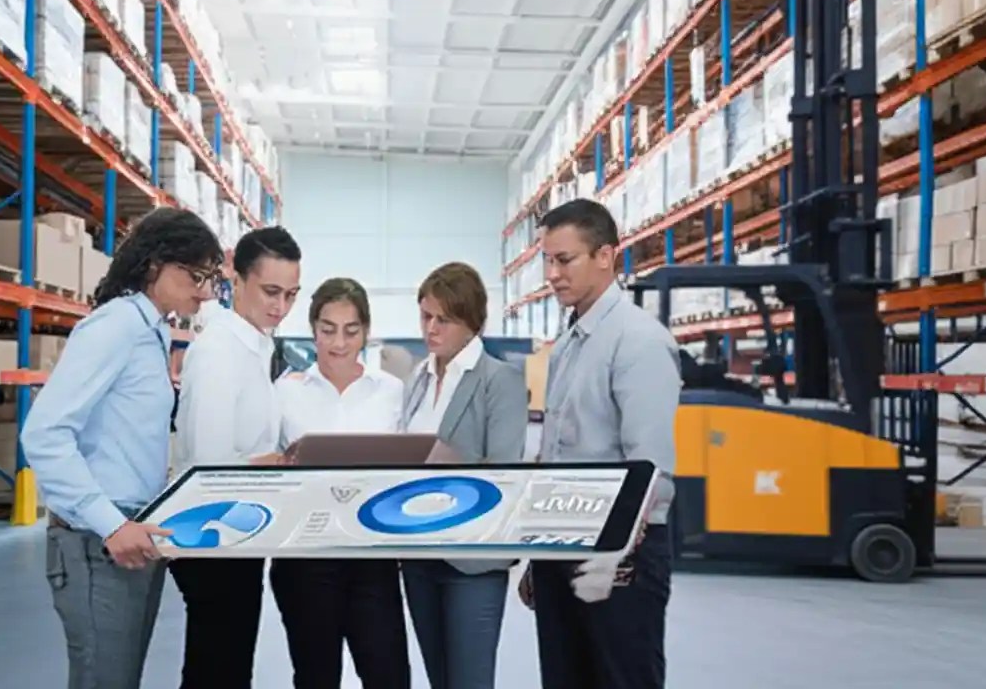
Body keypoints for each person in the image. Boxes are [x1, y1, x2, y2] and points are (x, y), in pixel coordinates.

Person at [20, 208, 224, 689]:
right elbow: (44, 434)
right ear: (154, 264)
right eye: (195, 275)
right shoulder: (114, 327)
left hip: (130, 536)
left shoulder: (151, 330)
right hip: (99, 542)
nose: (204, 292)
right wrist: (111, 524)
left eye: (210, 278)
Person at [522, 198, 681, 689]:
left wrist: (614, 557)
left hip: (618, 550)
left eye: (564, 260)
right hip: (561, 542)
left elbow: (649, 469)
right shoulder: (570, 343)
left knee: (621, 678)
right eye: (547, 260)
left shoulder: (638, 342)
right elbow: (555, 454)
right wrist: (539, 555)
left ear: (606, 256)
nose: (552, 274)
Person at [171, 225, 302, 689]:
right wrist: (274, 465)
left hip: (239, 534)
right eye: (271, 291)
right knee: (217, 670)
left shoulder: (254, 347)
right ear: (237, 279)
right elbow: (209, 467)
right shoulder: (220, 352)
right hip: (213, 540)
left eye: (290, 295)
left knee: (227, 666)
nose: (280, 306)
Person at [271, 277, 412, 689]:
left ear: (365, 332)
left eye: (351, 331)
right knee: (316, 677)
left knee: (389, 675)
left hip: (373, 557)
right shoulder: (285, 393)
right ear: (313, 329)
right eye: (328, 329)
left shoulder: (391, 392)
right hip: (305, 559)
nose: (339, 343)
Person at [398, 261, 528, 689]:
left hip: (471, 558)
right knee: (439, 679)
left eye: (445, 319)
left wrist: (448, 464)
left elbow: (505, 474)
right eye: (425, 316)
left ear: (472, 323)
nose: (431, 329)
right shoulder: (417, 379)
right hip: (418, 552)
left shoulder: (499, 381)